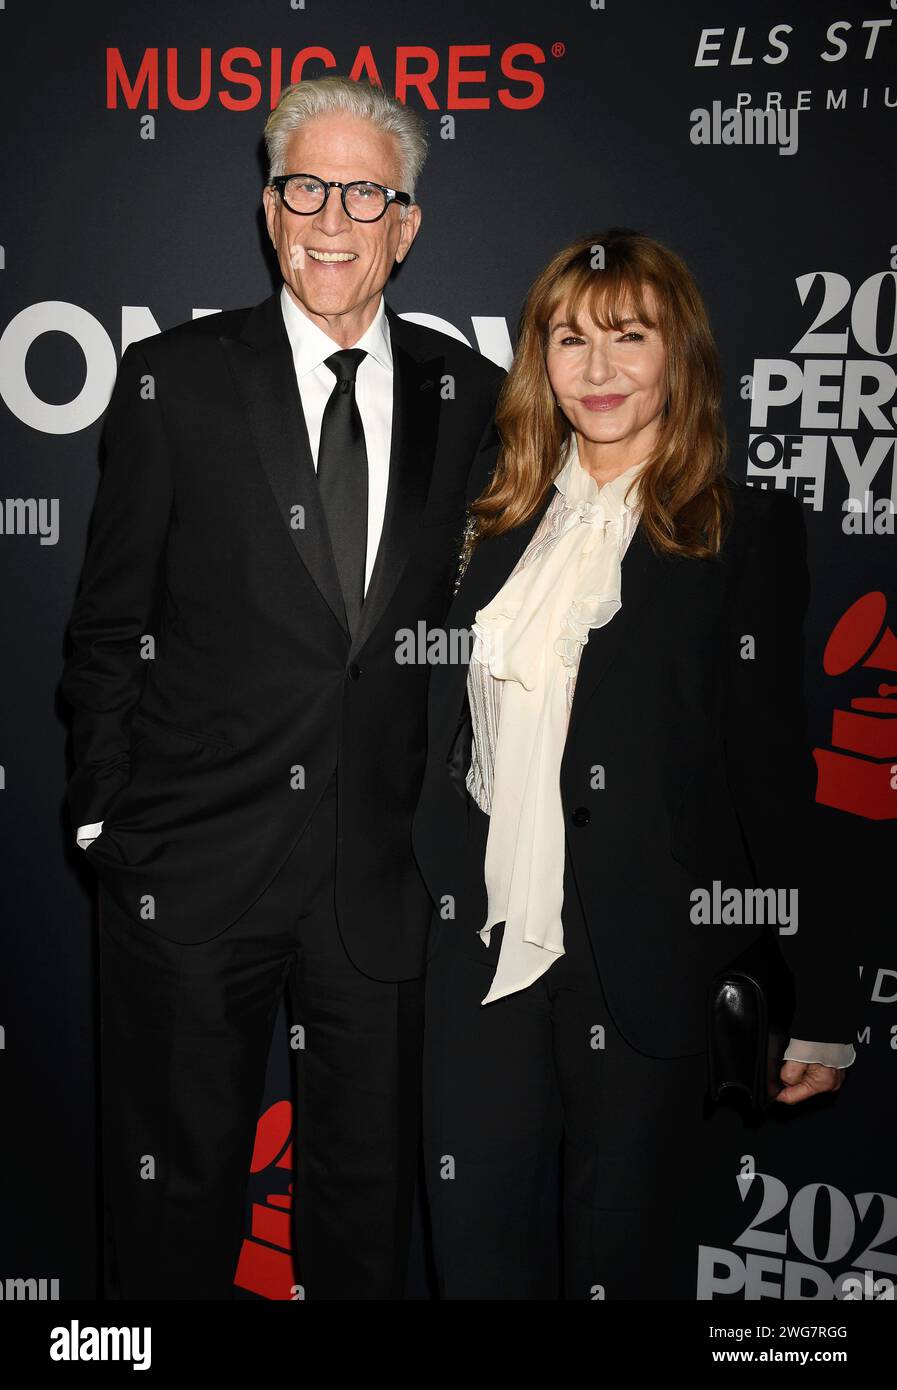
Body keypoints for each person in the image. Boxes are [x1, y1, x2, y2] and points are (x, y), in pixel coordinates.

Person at [60, 75, 504, 1300]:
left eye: (367, 192)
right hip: (193, 869)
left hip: (385, 889)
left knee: (364, 1221)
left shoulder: (473, 398)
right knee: (170, 1214)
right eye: (306, 185)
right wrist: (108, 820)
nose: (333, 216)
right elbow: (108, 628)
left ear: (406, 225)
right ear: (269, 210)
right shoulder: (173, 381)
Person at [412, 228, 857, 1300]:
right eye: (571, 339)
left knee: (619, 1263)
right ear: (540, 358)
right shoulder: (495, 517)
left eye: (628, 337)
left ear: (681, 355)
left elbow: (774, 778)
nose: (598, 370)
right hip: (483, 949)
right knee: (473, 1252)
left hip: (645, 955)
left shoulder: (738, 533)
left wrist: (827, 994)